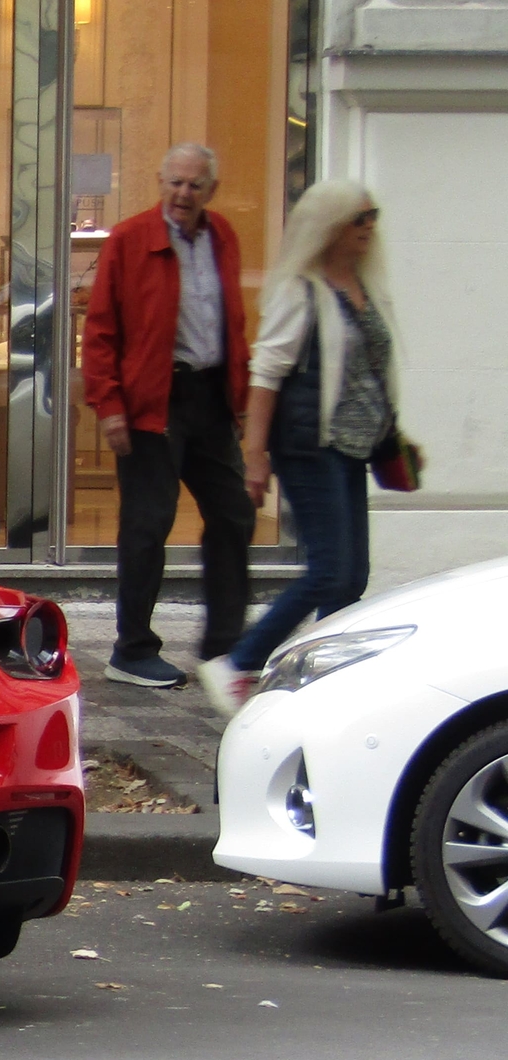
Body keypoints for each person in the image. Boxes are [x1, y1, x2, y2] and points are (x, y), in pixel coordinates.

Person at [198, 182, 397, 716]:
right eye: (359, 218)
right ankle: (239, 663)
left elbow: (374, 370)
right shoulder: (301, 290)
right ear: (330, 226)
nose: (369, 227)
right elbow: (266, 373)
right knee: (329, 570)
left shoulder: (364, 285)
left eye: (373, 216)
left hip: (353, 445)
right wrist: (255, 453)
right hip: (309, 445)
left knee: (352, 575)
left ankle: (326, 676)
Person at [81, 143, 256, 688]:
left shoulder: (223, 235)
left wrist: (243, 399)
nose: (183, 194)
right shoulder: (131, 240)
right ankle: (132, 649)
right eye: (175, 183)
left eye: (195, 185)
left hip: (210, 397)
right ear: (161, 183)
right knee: (147, 525)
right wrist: (109, 404)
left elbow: (233, 322)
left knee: (233, 515)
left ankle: (225, 646)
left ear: (211, 191)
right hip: (152, 402)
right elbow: (101, 328)